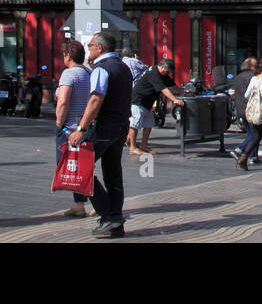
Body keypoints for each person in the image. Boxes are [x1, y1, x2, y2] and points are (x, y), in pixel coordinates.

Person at [67, 31, 134, 237]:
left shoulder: (101, 69)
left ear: (100, 48)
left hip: (104, 126)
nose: (89, 49)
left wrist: (81, 129)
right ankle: (115, 221)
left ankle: (109, 216)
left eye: (90, 45)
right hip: (121, 126)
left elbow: (95, 100)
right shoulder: (123, 67)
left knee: (80, 168)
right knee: (113, 174)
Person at [54, 39, 91, 218]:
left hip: (70, 128)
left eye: (64, 54)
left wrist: (59, 125)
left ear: (68, 55)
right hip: (87, 127)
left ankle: (89, 204)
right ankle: (80, 204)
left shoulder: (69, 74)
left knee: (72, 167)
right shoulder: (89, 73)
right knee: (82, 166)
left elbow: (63, 102)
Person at [128, 57, 184, 155]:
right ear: (162, 67)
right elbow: (163, 89)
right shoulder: (154, 73)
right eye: (167, 72)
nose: (167, 74)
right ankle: (132, 148)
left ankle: (144, 145)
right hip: (138, 101)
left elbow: (173, 86)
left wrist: (186, 93)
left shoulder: (163, 74)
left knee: (149, 124)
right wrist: (175, 100)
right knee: (135, 124)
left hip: (147, 103)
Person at [233, 57, 262, 170]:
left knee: (256, 136)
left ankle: (243, 157)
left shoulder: (254, 79)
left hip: (257, 111)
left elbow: (246, 95)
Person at [230, 57, 258, 163]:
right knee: (254, 134)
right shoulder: (253, 77)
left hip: (240, 109)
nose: (257, 68)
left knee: (251, 132)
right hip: (250, 109)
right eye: (255, 66)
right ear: (251, 67)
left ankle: (253, 156)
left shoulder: (238, 77)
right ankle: (239, 149)